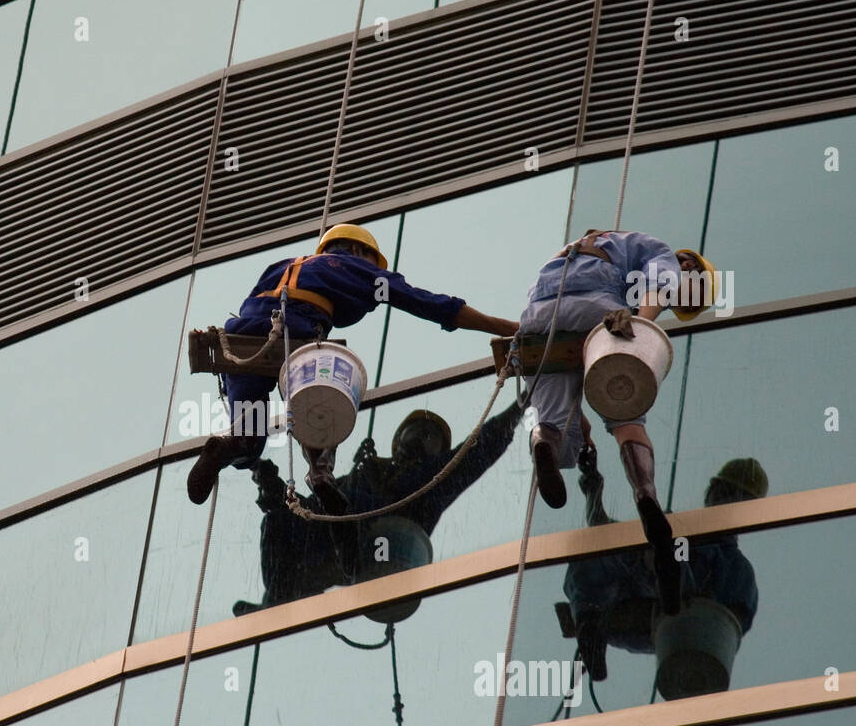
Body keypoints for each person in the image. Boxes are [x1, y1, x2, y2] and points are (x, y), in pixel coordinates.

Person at [187, 223, 519, 509]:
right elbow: (428, 304)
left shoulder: (280, 266)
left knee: (247, 442)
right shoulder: (356, 267)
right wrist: (507, 328)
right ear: (360, 252)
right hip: (297, 335)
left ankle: (225, 446)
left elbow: (253, 307)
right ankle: (321, 473)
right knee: (323, 400)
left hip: (243, 342)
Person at [520, 230, 720, 613]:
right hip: (599, 309)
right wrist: (639, 326)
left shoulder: (582, 248)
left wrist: (578, 420)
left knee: (553, 421)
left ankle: (543, 440)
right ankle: (645, 493)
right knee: (627, 407)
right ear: (691, 268)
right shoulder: (660, 252)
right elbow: (658, 284)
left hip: (538, 315)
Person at [236, 403, 524, 613]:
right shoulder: (362, 474)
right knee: (277, 520)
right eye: (417, 432)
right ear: (398, 442)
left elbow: (472, 454)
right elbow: (313, 512)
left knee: (344, 507)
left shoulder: (428, 483)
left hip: (381, 543)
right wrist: (276, 492)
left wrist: (516, 410)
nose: (422, 440)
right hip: (338, 540)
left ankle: (296, 588)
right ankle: (277, 600)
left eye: (431, 438)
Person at [560, 453, 765, 682]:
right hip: (627, 605)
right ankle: (589, 629)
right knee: (599, 545)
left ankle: (666, 575)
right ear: (710, 493)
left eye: (736, 499)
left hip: (679, 630)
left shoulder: (735, 568)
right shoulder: (682, 537)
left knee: (670, 547)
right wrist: (593, 491)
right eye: (724, 493)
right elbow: (603, 538)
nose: (724, 503)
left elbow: (725, 627)